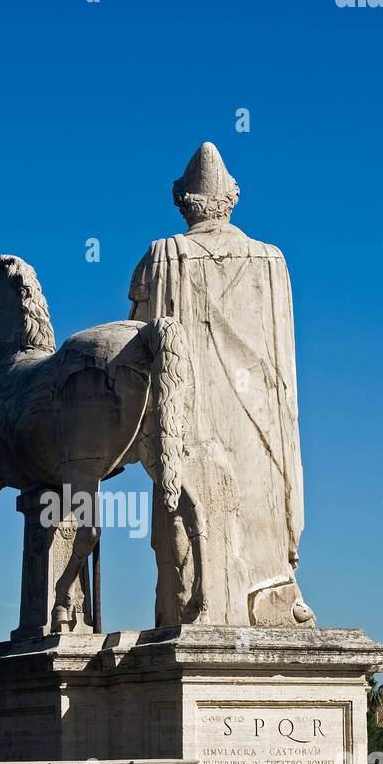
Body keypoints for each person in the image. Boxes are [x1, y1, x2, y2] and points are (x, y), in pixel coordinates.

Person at [128, 142, 314, 628]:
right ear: (231, 197)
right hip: (261, 425)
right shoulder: (272, 261)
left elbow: (133, 352)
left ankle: (194, 600)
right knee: (254, 509)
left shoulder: (163, 256)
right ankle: (272, 594)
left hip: (192, 425)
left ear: (181, 200)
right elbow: (286, 370)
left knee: (194, 518)